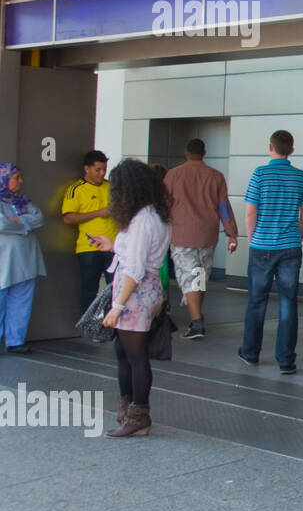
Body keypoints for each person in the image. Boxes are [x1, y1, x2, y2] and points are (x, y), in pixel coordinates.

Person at [95, 159, 173, 437]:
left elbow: (136, 267)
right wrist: (113, 245)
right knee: (126, 354)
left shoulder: (141, 219)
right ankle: (131, 412)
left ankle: (137, 415)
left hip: (135, 293)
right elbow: (138, 255)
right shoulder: (156, 214)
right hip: (145, 289)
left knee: (135, 357)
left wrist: (117, 307)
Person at [238, 131, 303, 374]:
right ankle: (286, 360)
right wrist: (296, 237)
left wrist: (253, 238)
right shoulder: (301, 177)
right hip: (290, 246)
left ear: (270, 146)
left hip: (261, 246)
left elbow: (251, 212)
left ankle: (250, 353)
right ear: (292, 150)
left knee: (257, 301)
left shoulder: (260, 174)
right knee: (288, 302)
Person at [164, 139, 238, 340]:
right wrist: (231, 233)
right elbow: (223, 206)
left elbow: (163, 205)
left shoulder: (173, 175)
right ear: (204, 152)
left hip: (182, 235)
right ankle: (197, 316)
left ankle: (197, 324)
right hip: (207, 235)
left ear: (186, 152)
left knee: (190, 277)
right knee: (200, 276)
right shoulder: (216, 176)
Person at [62, 149, 116, 314]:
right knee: (89, 289)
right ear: (87, 169)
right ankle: (89, 323)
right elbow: (68, 218)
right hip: (89, 247)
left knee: (116, 287)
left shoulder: (112, 187)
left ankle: (114, 323)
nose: (101, 173)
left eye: (104, 170)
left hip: (114, 246)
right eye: (97, 169)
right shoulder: (76, 189)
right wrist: (98, 213)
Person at [0, 163, 45, 354]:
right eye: (16, 177)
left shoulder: (23, 200)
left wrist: (19, 221)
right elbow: (2, 224)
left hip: (26, 258)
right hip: (4, 259)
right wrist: (25, 224)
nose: (20, 181)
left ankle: (15, 341)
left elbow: (39, 218)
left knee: (22, 298)